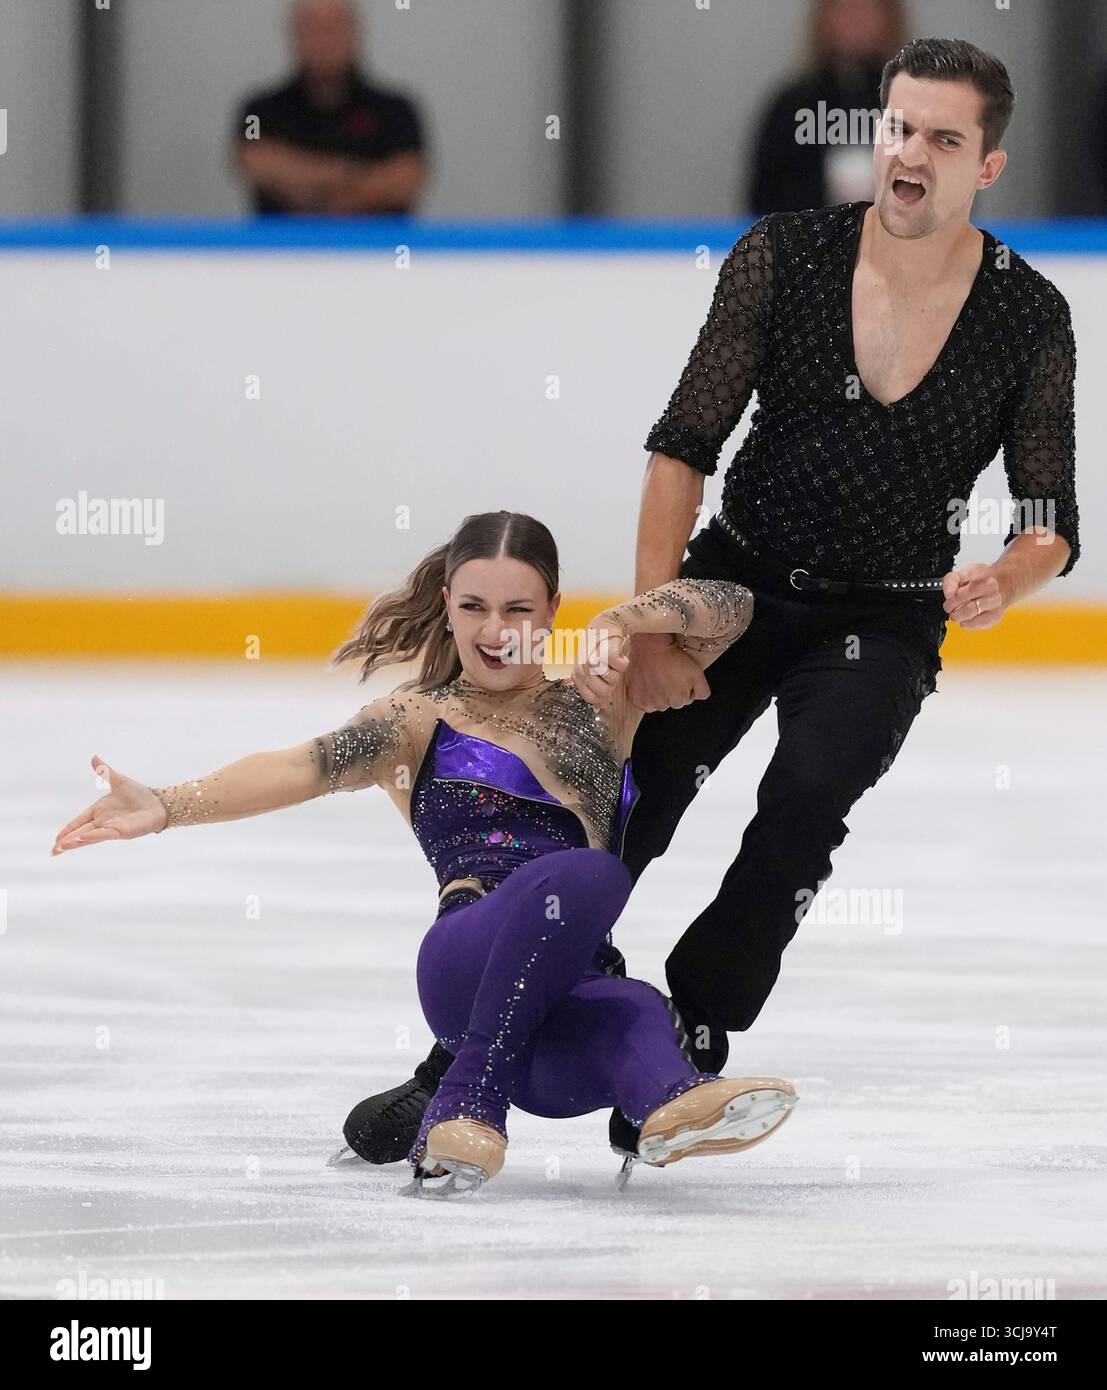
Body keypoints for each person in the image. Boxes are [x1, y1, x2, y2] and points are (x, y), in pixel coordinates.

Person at [348, 37, 1081, 1167]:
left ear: (987, 165)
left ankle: (687, 1025)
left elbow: (1050, 514)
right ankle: (470, 1047)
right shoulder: (782, 255)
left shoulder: (1029, 315)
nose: (912, 155)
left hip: (881, 616)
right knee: (617, 809)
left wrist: (1007, 575)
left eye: (944, 138)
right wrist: (655, 619)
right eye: (899, 128)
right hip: (733, 586)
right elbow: (681, 448)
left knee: (807, 800)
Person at [52, 512, 797, 1197]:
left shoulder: (604, 701)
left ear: (552, 610)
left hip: (554, 1030)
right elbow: (297, 765)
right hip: (462, 968)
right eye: (473, 606)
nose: (494, 628)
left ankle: (667, 1105)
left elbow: (733, 606)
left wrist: (624, 620)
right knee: (587, 874)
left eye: (517, 609)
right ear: (446, 603)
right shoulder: (415, 720)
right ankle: (468, 1095)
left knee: (637, 1007)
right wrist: (166, 804)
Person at [232, 0, 427, 215]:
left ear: (355, 33)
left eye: (332, 28)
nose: (323, 40)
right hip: (282, 246)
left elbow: (406, 179)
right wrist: (345, 178)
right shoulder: (258, 112)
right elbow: (255, 161)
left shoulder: (397, 111)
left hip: (376, 247)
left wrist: (304, 184)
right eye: (311, 28)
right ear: (293, 35)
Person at [747, 0, 906, 213]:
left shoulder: (912, 102)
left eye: (867, 8)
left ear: (890, 17)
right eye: (843, 9)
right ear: (822, 18)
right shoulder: (792, 106)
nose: (855, 19)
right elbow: (763, 200)